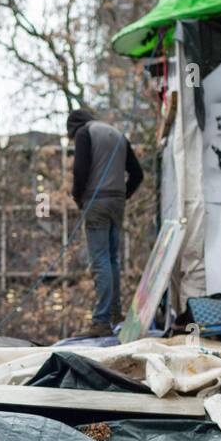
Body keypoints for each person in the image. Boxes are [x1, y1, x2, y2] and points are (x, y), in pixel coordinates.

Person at [67, 108, 144, 335]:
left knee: (100, 261)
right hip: (116, 203)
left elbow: (80, 170)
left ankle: (100, 322)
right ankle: (115, 314)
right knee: (112, 260)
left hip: (96, 202)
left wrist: (77, 197)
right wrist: (123, 195)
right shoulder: (117, 133)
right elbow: (137, 173)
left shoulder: (84, 133)